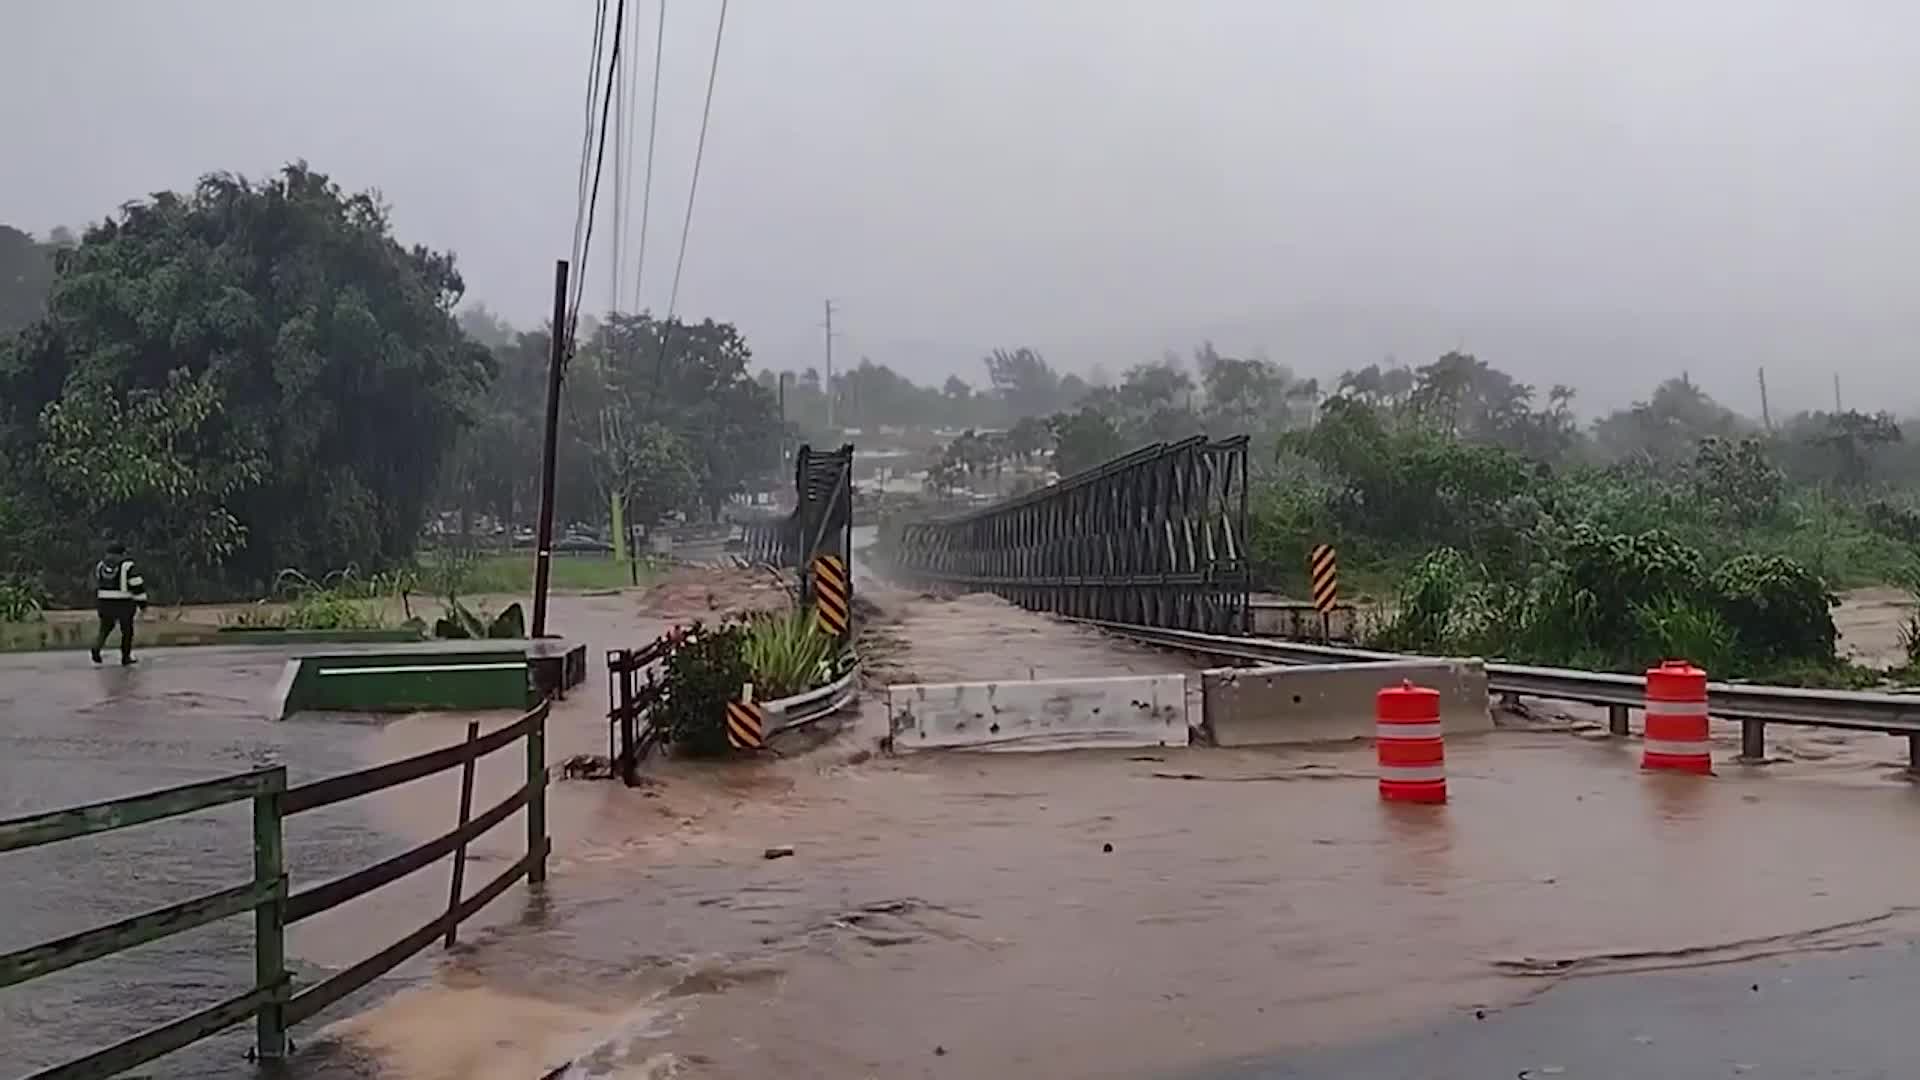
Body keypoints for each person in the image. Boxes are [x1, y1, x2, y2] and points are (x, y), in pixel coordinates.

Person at [91, 542, 148, 665]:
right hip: (123, 603)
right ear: (122, 553)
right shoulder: (127, 566)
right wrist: (142, 604)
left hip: (104, 602)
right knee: (127, 631)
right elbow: (136, 585)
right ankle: (125, 657)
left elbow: (97, 583)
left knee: (105, 628)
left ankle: (96, 648)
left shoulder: (100, 566)